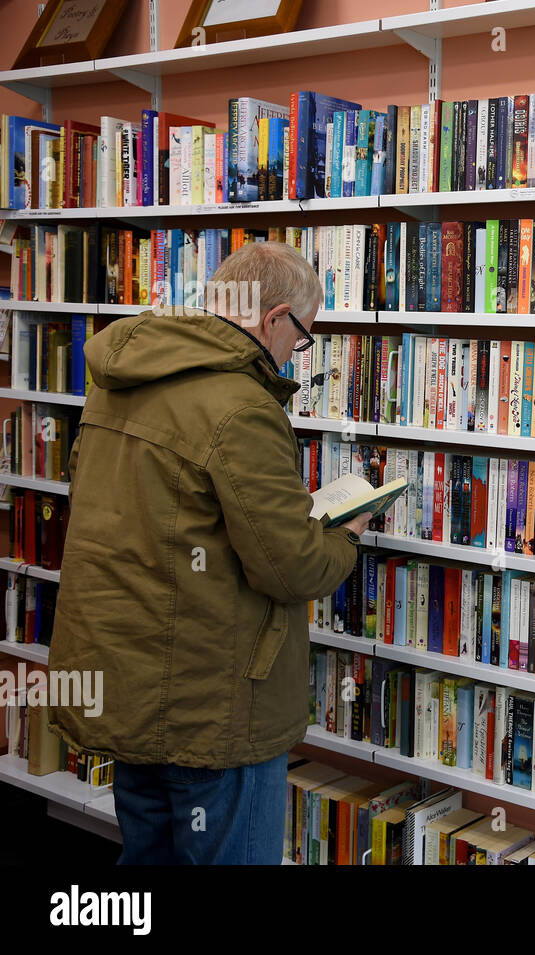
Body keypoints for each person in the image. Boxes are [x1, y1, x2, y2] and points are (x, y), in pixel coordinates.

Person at [49, 241, 370, 865]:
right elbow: (291, 567)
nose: (295, 357)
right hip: (209, 703)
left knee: (145, 858)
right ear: (275, 319)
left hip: (128, 686)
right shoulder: (242, 407)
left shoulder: (120, 379)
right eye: (302, 338)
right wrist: (344, 535)